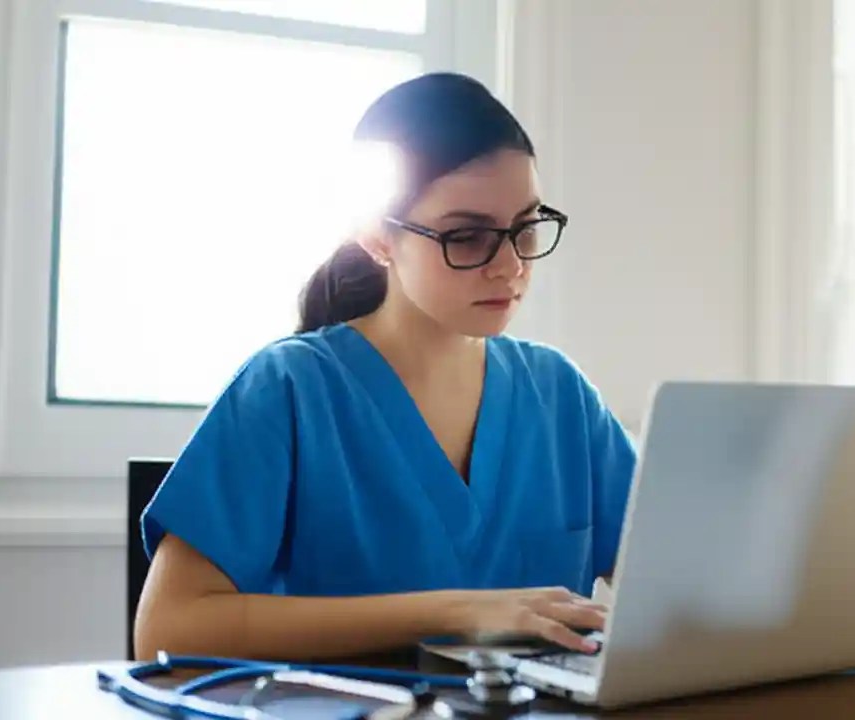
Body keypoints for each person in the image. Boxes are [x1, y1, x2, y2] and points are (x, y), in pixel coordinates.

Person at [133, 72, 637, 663]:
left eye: (526, 228)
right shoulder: (289, 390)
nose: (510, 266)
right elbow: (167, 629)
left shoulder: (562, 398)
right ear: (378, 237)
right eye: (468, 237)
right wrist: (457, 612)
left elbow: (680, 585)